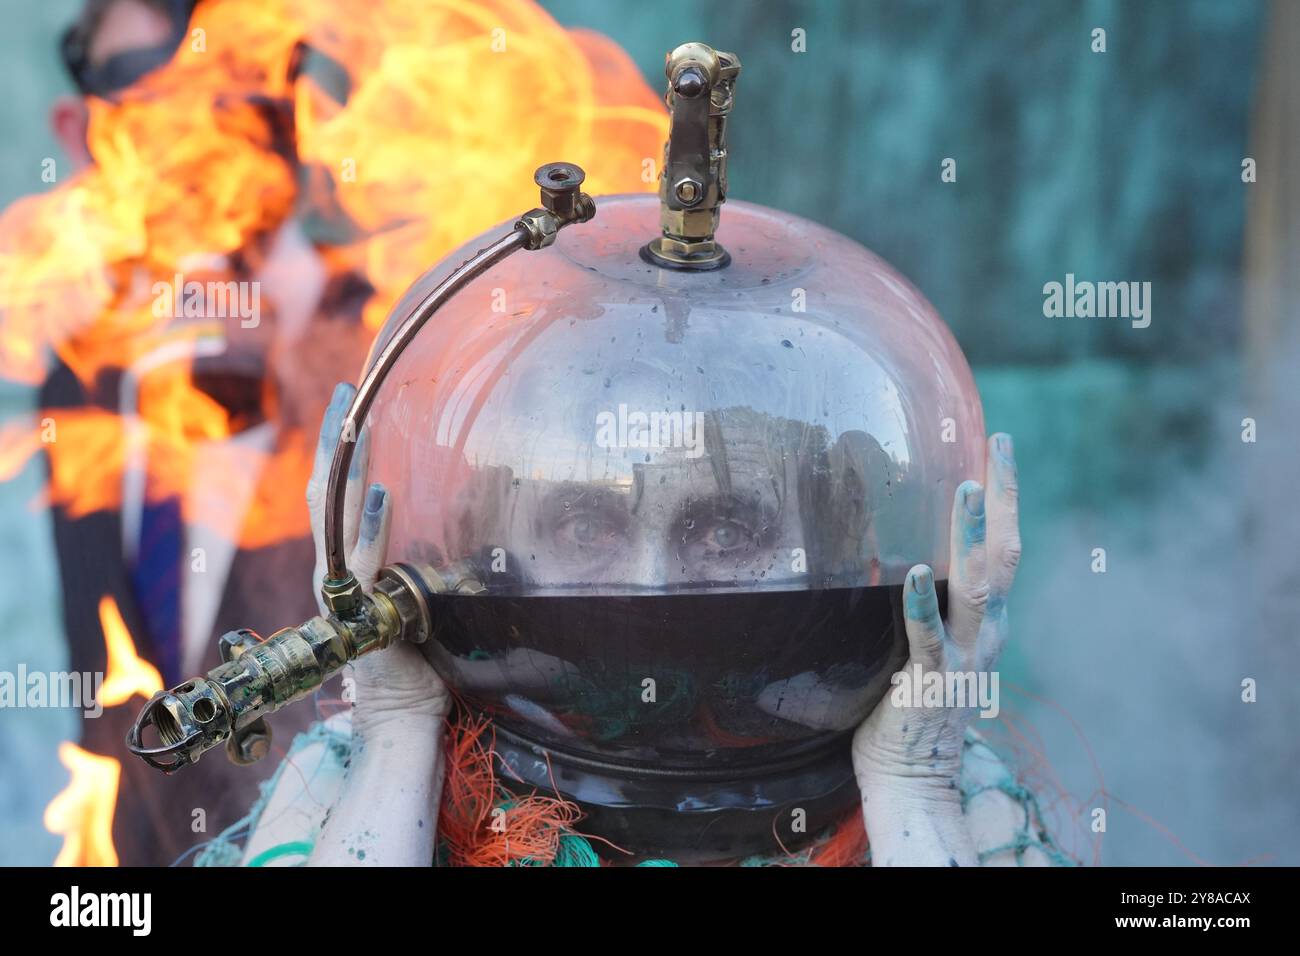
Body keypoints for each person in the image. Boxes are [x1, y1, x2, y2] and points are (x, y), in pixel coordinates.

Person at [231, 382, 1053, 867]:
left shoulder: (946, 786)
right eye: (587, 530)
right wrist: (398, 723)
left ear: (844, 557)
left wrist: (912, 785)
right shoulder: (350, 766)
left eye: (726, 532)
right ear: (487, 554)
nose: (653, 589)